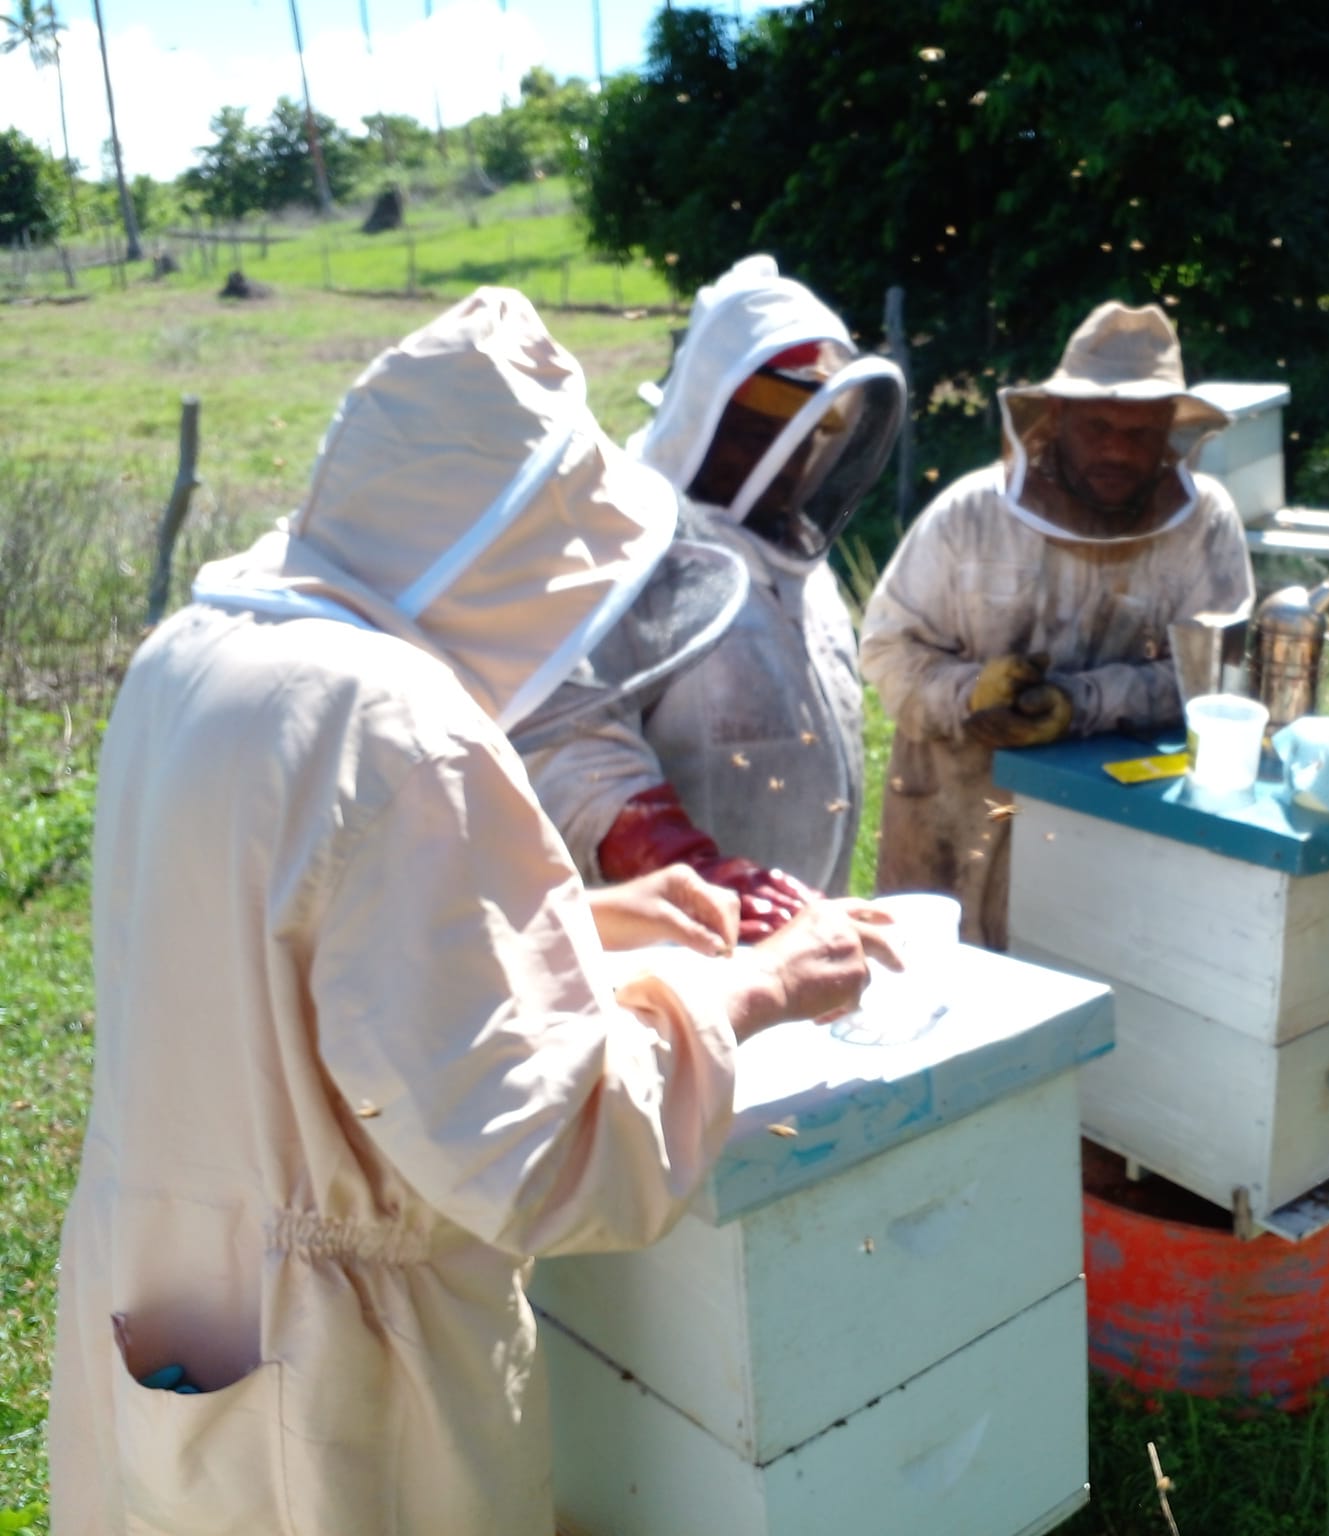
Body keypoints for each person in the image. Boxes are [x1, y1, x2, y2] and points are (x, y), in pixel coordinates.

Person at [49, 289, 897, 1535]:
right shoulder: (398, 728)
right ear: (507, 539)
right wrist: (757, 987)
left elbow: (295, 945)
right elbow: (543, 1152)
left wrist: (584, 919)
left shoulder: (197, 647)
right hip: (337, 1354)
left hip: (167, 1272)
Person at [521, 255, 905, 940]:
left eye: (811, 436)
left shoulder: (804, 567)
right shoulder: (620, 553)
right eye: (761, 435)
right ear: (703, 420)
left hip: (810, 938)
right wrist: (697, 870)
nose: (791, 460)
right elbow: (564, 748)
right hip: (665, 956)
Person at [859, 300, 1253, 948]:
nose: (1117, 449)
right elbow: (886, 651)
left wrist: (1083, 703)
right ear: (1058, 417)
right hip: (953, 821)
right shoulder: (969, 515)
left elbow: (1214, 683)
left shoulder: (1203, 525)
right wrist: (970, 695)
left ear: (1169, 432)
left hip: (1119, 839)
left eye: (1140, 433)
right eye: (1098, 426)